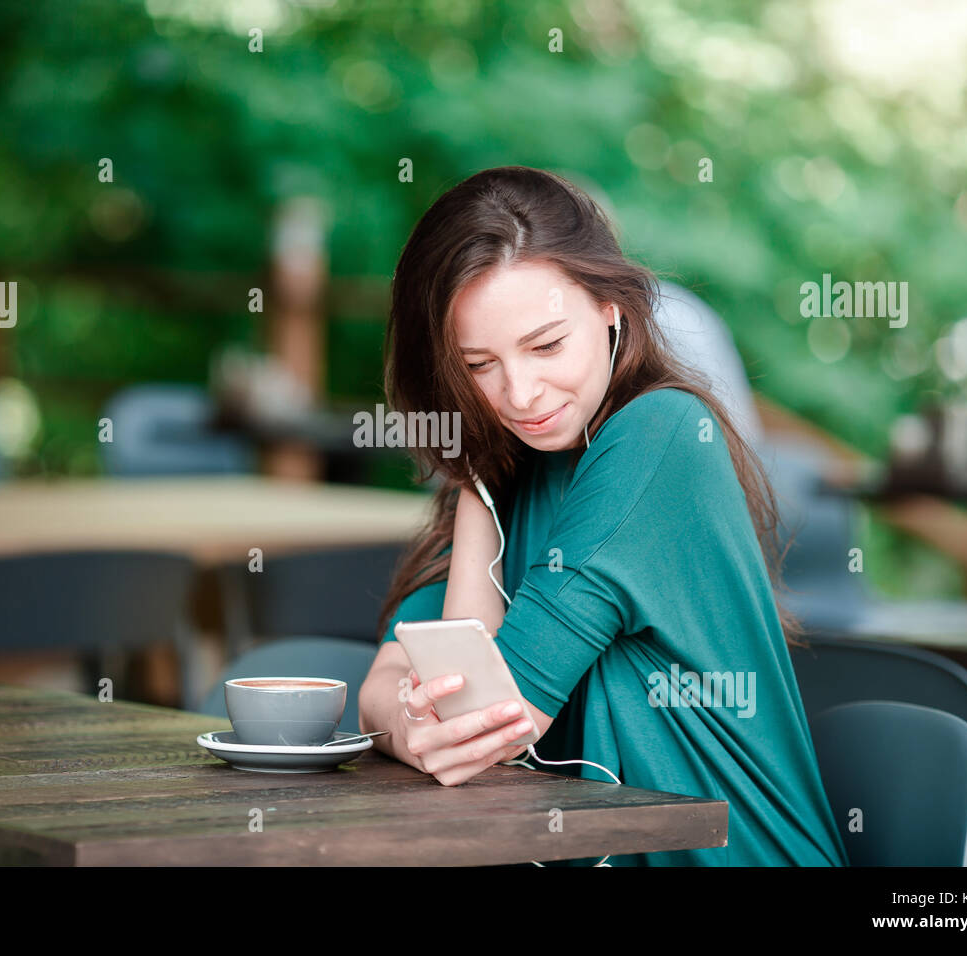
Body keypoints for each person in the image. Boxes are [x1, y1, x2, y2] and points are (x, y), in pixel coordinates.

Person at [357, 166, 847, 866]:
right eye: (479, 364)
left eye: (546, 345)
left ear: (612, 308)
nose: (520, 394)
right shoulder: (511, 468)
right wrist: (473, 482)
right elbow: (389, 684)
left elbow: (491, 723)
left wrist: (434, 722)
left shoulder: (660, 435)